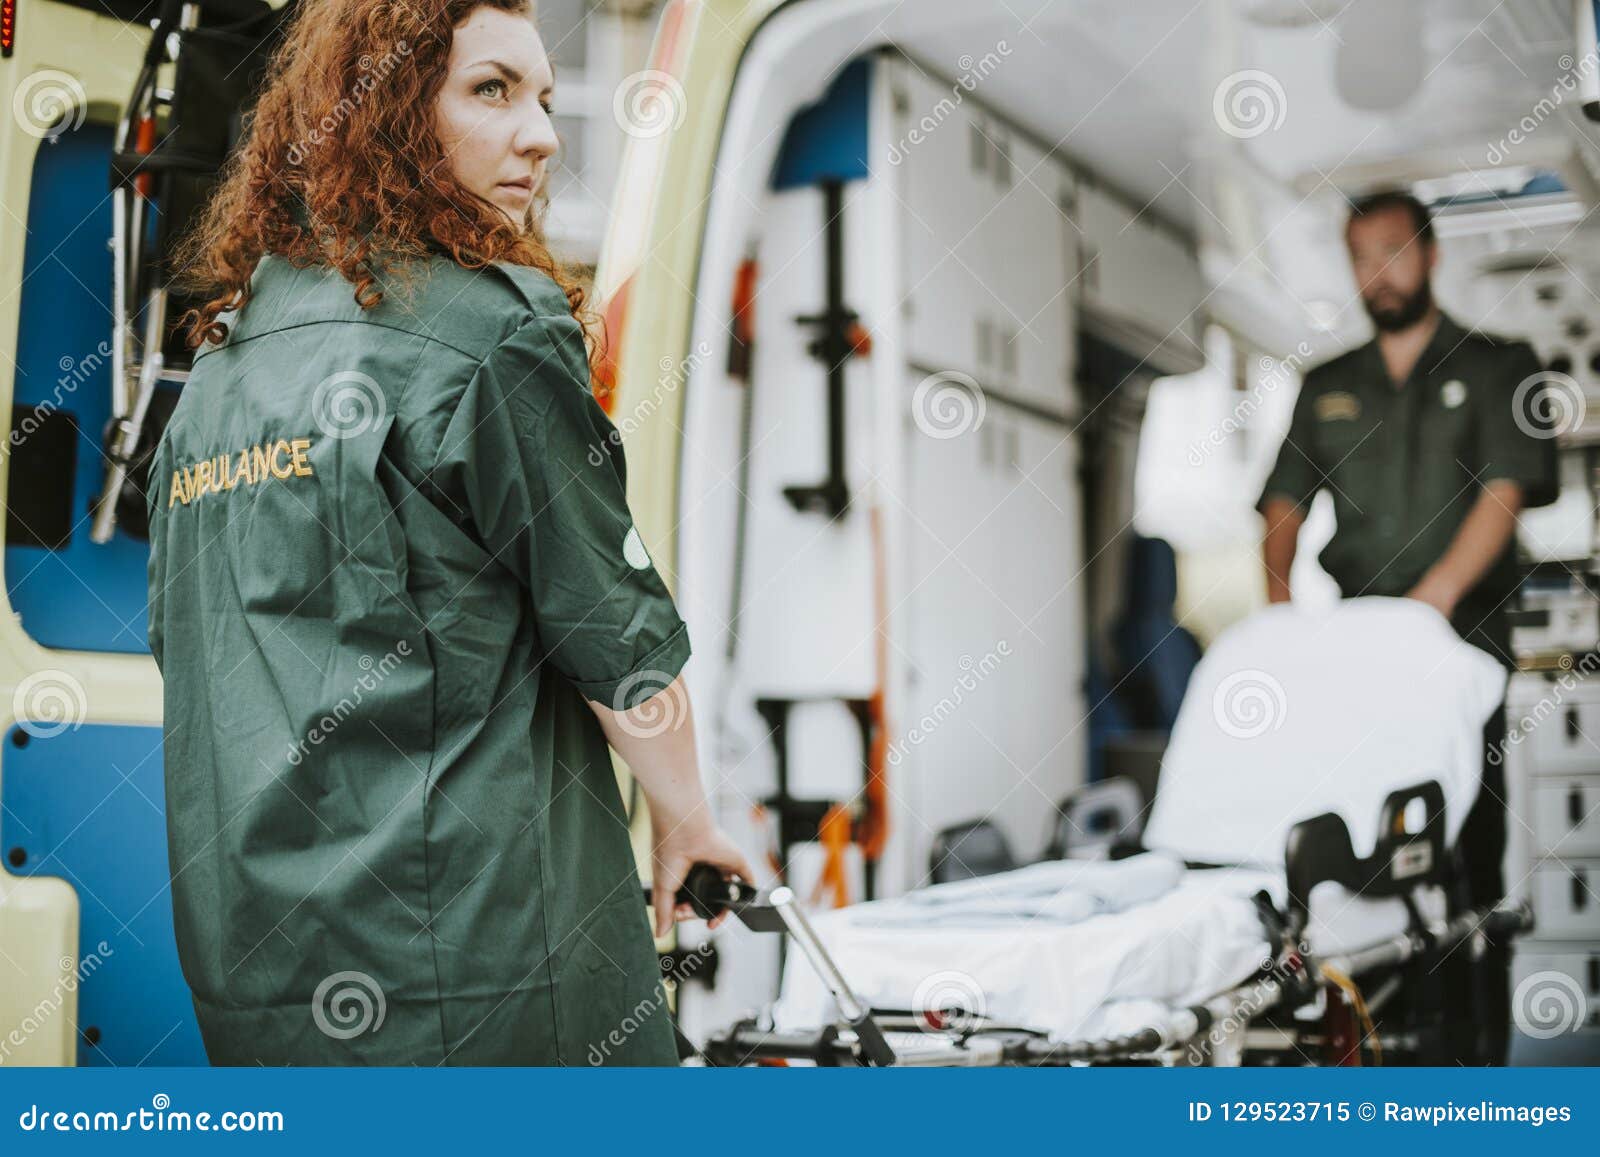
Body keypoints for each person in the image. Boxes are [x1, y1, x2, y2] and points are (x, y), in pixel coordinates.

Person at [145, 0, 751, 1065]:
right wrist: (689, 821)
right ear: (378, 105)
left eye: (547, 100)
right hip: (484, 973)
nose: (543, 136)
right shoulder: (491, 332)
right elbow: (616, 641)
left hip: (257, 979)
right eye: (492, 90)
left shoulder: (218, 381)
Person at [1256, 190, 1558, 1063]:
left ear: (1429, 254)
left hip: (1461, 649)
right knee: (1362, 861)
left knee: (1464, 861)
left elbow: (1504, 492)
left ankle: (1478, 1068)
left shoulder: (1501, 364)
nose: (1376, 272)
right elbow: (1282, 503)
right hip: (1357, 662)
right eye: (1360, 255)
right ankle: (1388, 1054)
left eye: (1392, 250)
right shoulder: (1327, 386)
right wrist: (1281, 615)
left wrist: (1433, 600)